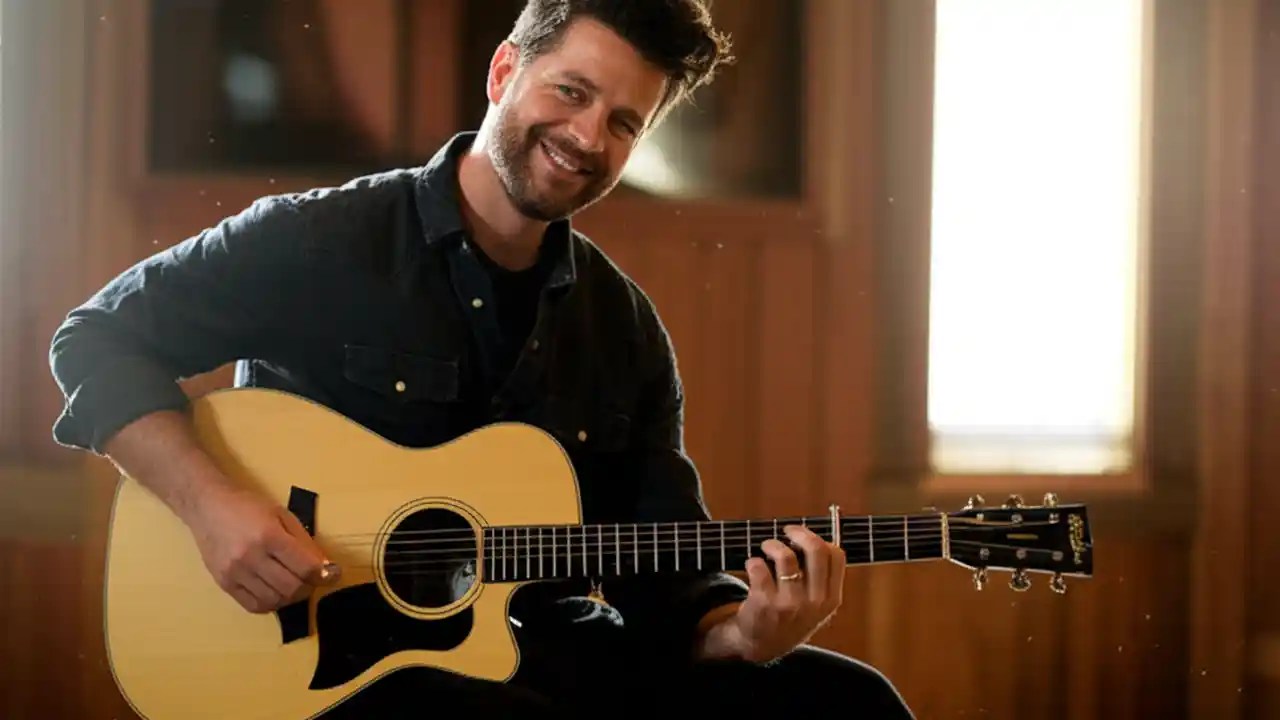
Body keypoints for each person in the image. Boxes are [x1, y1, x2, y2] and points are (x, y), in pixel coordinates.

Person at [48, 0, 915, 717]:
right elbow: (95, 339)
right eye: (571, 91)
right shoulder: (322, 240)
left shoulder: (624, 331)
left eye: (623, 123)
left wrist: (744, 634)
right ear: (504, 73)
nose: (587, 136)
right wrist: (212, 508)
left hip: (543, 651)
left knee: (848, 703)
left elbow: (668, 592)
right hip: (324, 662)